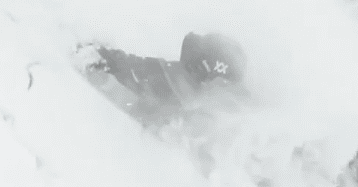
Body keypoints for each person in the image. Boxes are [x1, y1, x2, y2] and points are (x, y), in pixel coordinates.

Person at [80, 32, 247, 125]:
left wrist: (98, 54)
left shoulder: (167, 80)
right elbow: (128, 66)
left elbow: (128, 67)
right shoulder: (169, 80)